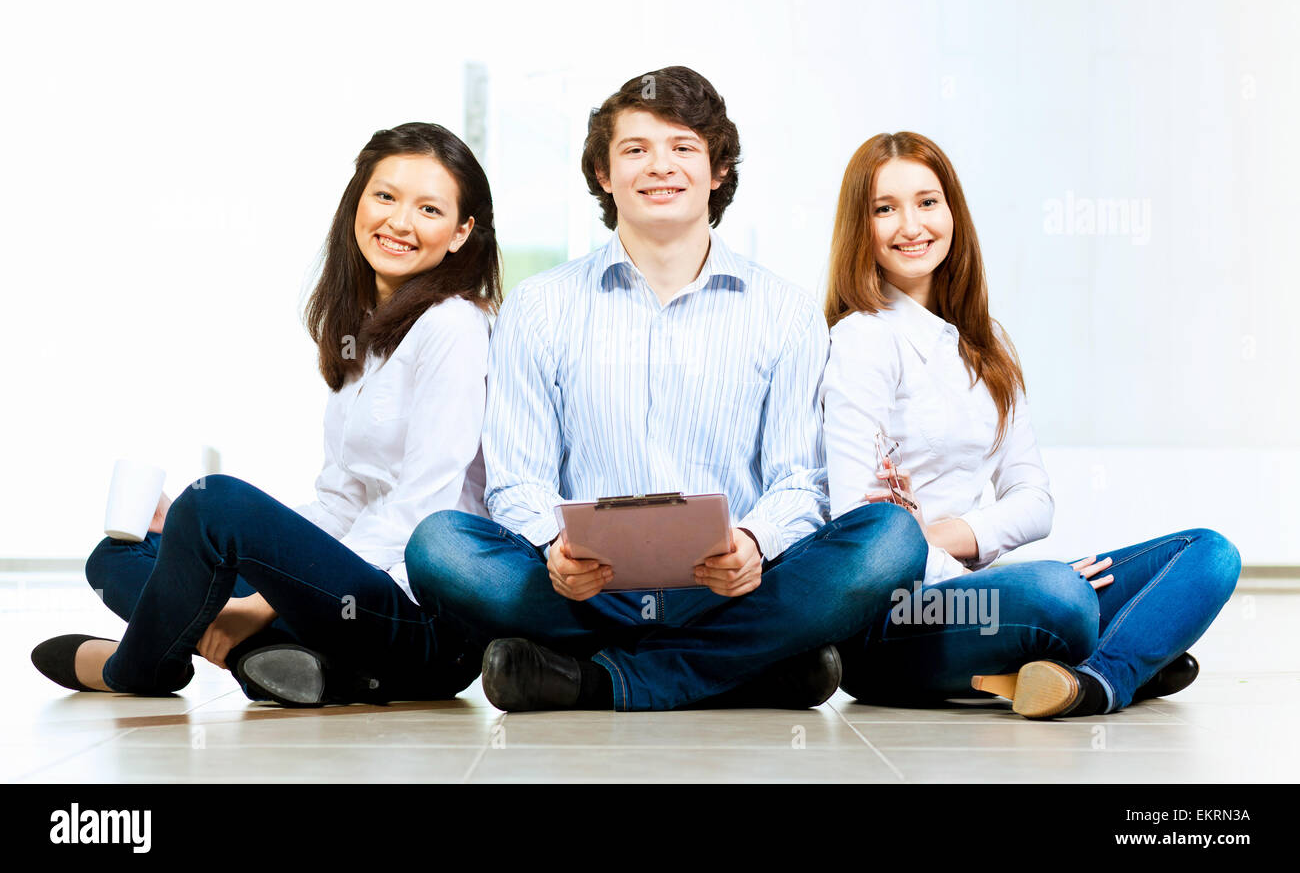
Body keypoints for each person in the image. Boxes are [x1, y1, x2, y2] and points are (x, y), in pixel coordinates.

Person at [404, 66, 928, 713]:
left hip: (738, 587)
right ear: (603, 174)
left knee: (892, 538)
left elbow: (800, 482)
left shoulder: (785, 312)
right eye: (635, 150)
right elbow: (517, 482)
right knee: (439, 547)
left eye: (683, 148)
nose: (660, 167)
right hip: (584, 592)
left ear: (718, 171)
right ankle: (750, 668)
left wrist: (755, 545)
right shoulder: (538, 308)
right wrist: (554, 549)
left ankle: (602, 681)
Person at [31, 122, 502, 706]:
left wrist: (259, 602)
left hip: (421, 623)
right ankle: (272, 661)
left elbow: (420, 513)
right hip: (351, 599)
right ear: (357, 201)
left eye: (429, 209)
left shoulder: (454, 326)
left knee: (216, 501)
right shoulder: (363, 332)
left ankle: (137, 666)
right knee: (123, 553)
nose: (399, 222)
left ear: (461, 233)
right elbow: (341, 501)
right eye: (385, 196)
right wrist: (190, 533)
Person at [820, 130, 1241, 718]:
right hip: (898, 613)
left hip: (989, 593)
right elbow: (857, 533)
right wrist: (1003, 578)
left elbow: (1035, 500)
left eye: (927, 201)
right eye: (884, 209)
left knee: (1210, 554)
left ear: (953, 213)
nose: (910, 225)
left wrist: (942, 535)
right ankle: (1129, 660)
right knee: (1062, 594)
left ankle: (1092, 682)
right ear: (859, 228)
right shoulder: (862, 339)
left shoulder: (985, 346)